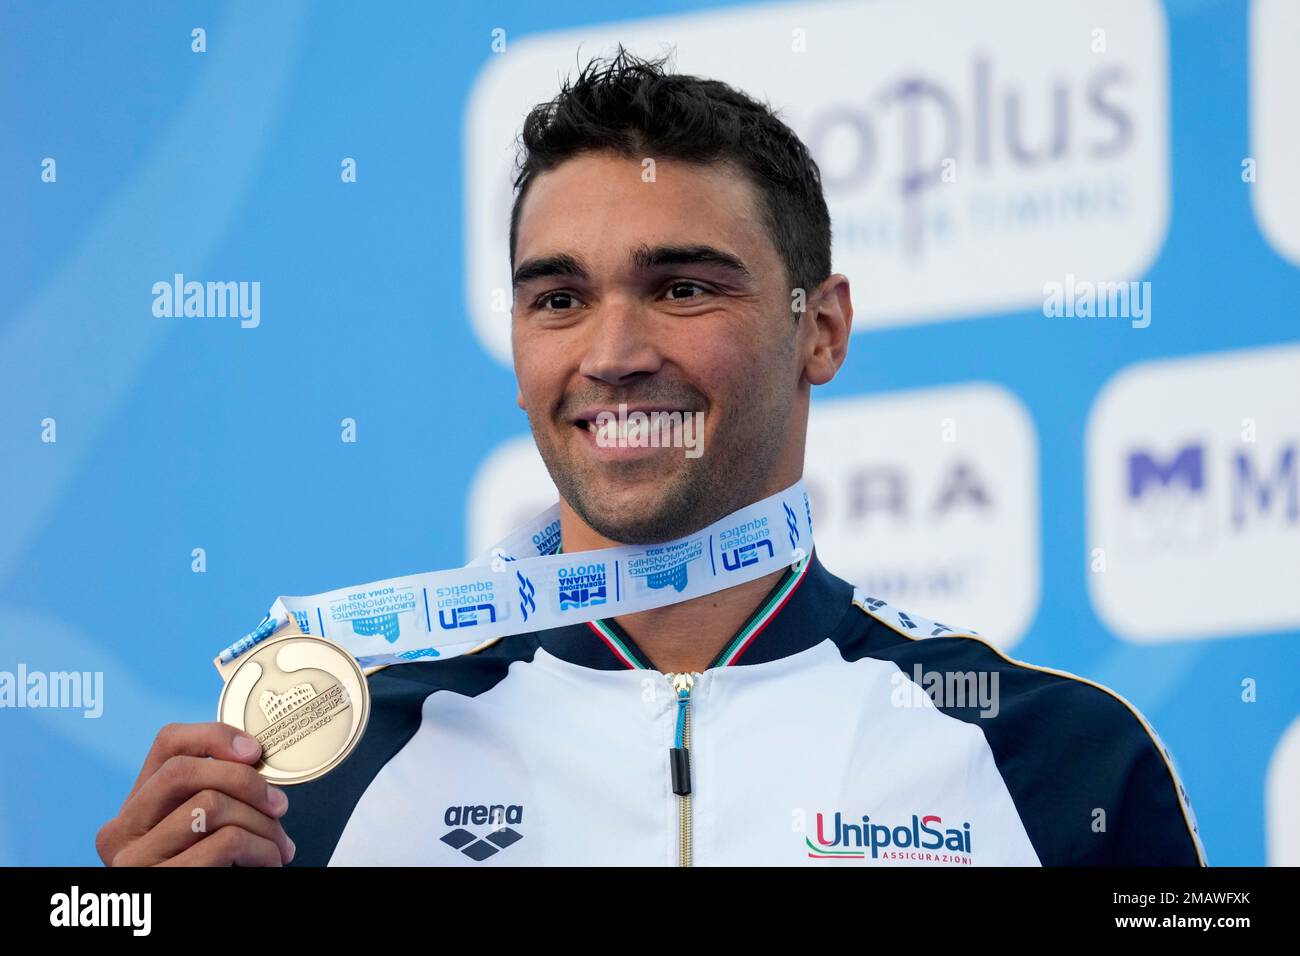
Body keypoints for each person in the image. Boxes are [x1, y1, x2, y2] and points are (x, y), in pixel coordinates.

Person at [95, 46, 1205, 867]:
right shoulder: (324, 779)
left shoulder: (1054, 760)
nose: (614, 354)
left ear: (819, 327)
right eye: (560, 298)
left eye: (682, 287)